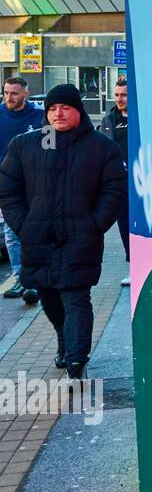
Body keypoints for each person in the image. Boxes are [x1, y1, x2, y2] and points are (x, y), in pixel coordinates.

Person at [0, 83, 127, 379]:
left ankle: (76, 359)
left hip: (80, 237)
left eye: (65, 108)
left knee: (76, 298)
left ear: (78, 111)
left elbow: (114, 190)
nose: (58, 113)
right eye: (53, 108)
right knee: (50, 297)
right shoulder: (25, 145)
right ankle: (63, 339)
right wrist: (23, 225)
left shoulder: (100, 146)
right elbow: (9, 189)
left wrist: (95, 224)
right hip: (39, 238)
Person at [0, 76, 45, 303]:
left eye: (14, 93)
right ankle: (22, 280)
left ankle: (37, 277)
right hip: (8, 184)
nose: (9, 97)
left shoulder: (40, 116)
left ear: (26, 93)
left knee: (37, 230)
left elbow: (52, 147)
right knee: (11, 232)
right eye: (6, 92)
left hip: (35, 183)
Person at [99, 77, 130, 286]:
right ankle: (133, 267)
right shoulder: (108, 120)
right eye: (117, 95)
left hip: (142, 181)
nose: (119, 99)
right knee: (125, 225)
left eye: (124, 95)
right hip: (119, 182)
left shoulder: (143, 115)